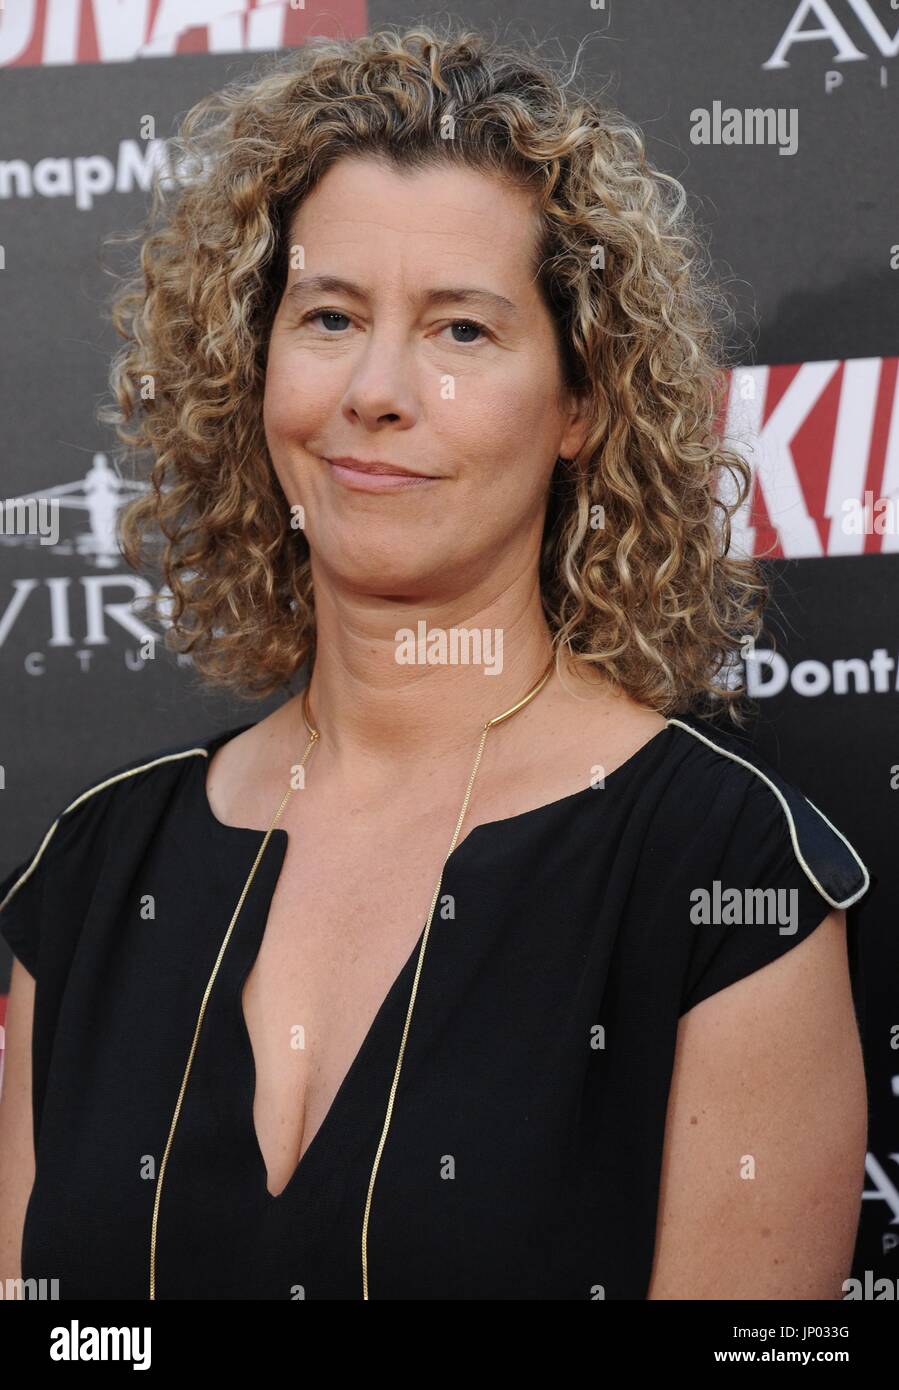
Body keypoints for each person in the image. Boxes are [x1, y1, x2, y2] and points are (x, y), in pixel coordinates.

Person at [0, 23, 874, 1301]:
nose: (376, 388)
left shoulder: (725, 879)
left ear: (582, 403)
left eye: (461, 330)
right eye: (330, 315)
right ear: (254, 370)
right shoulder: (90, 877)